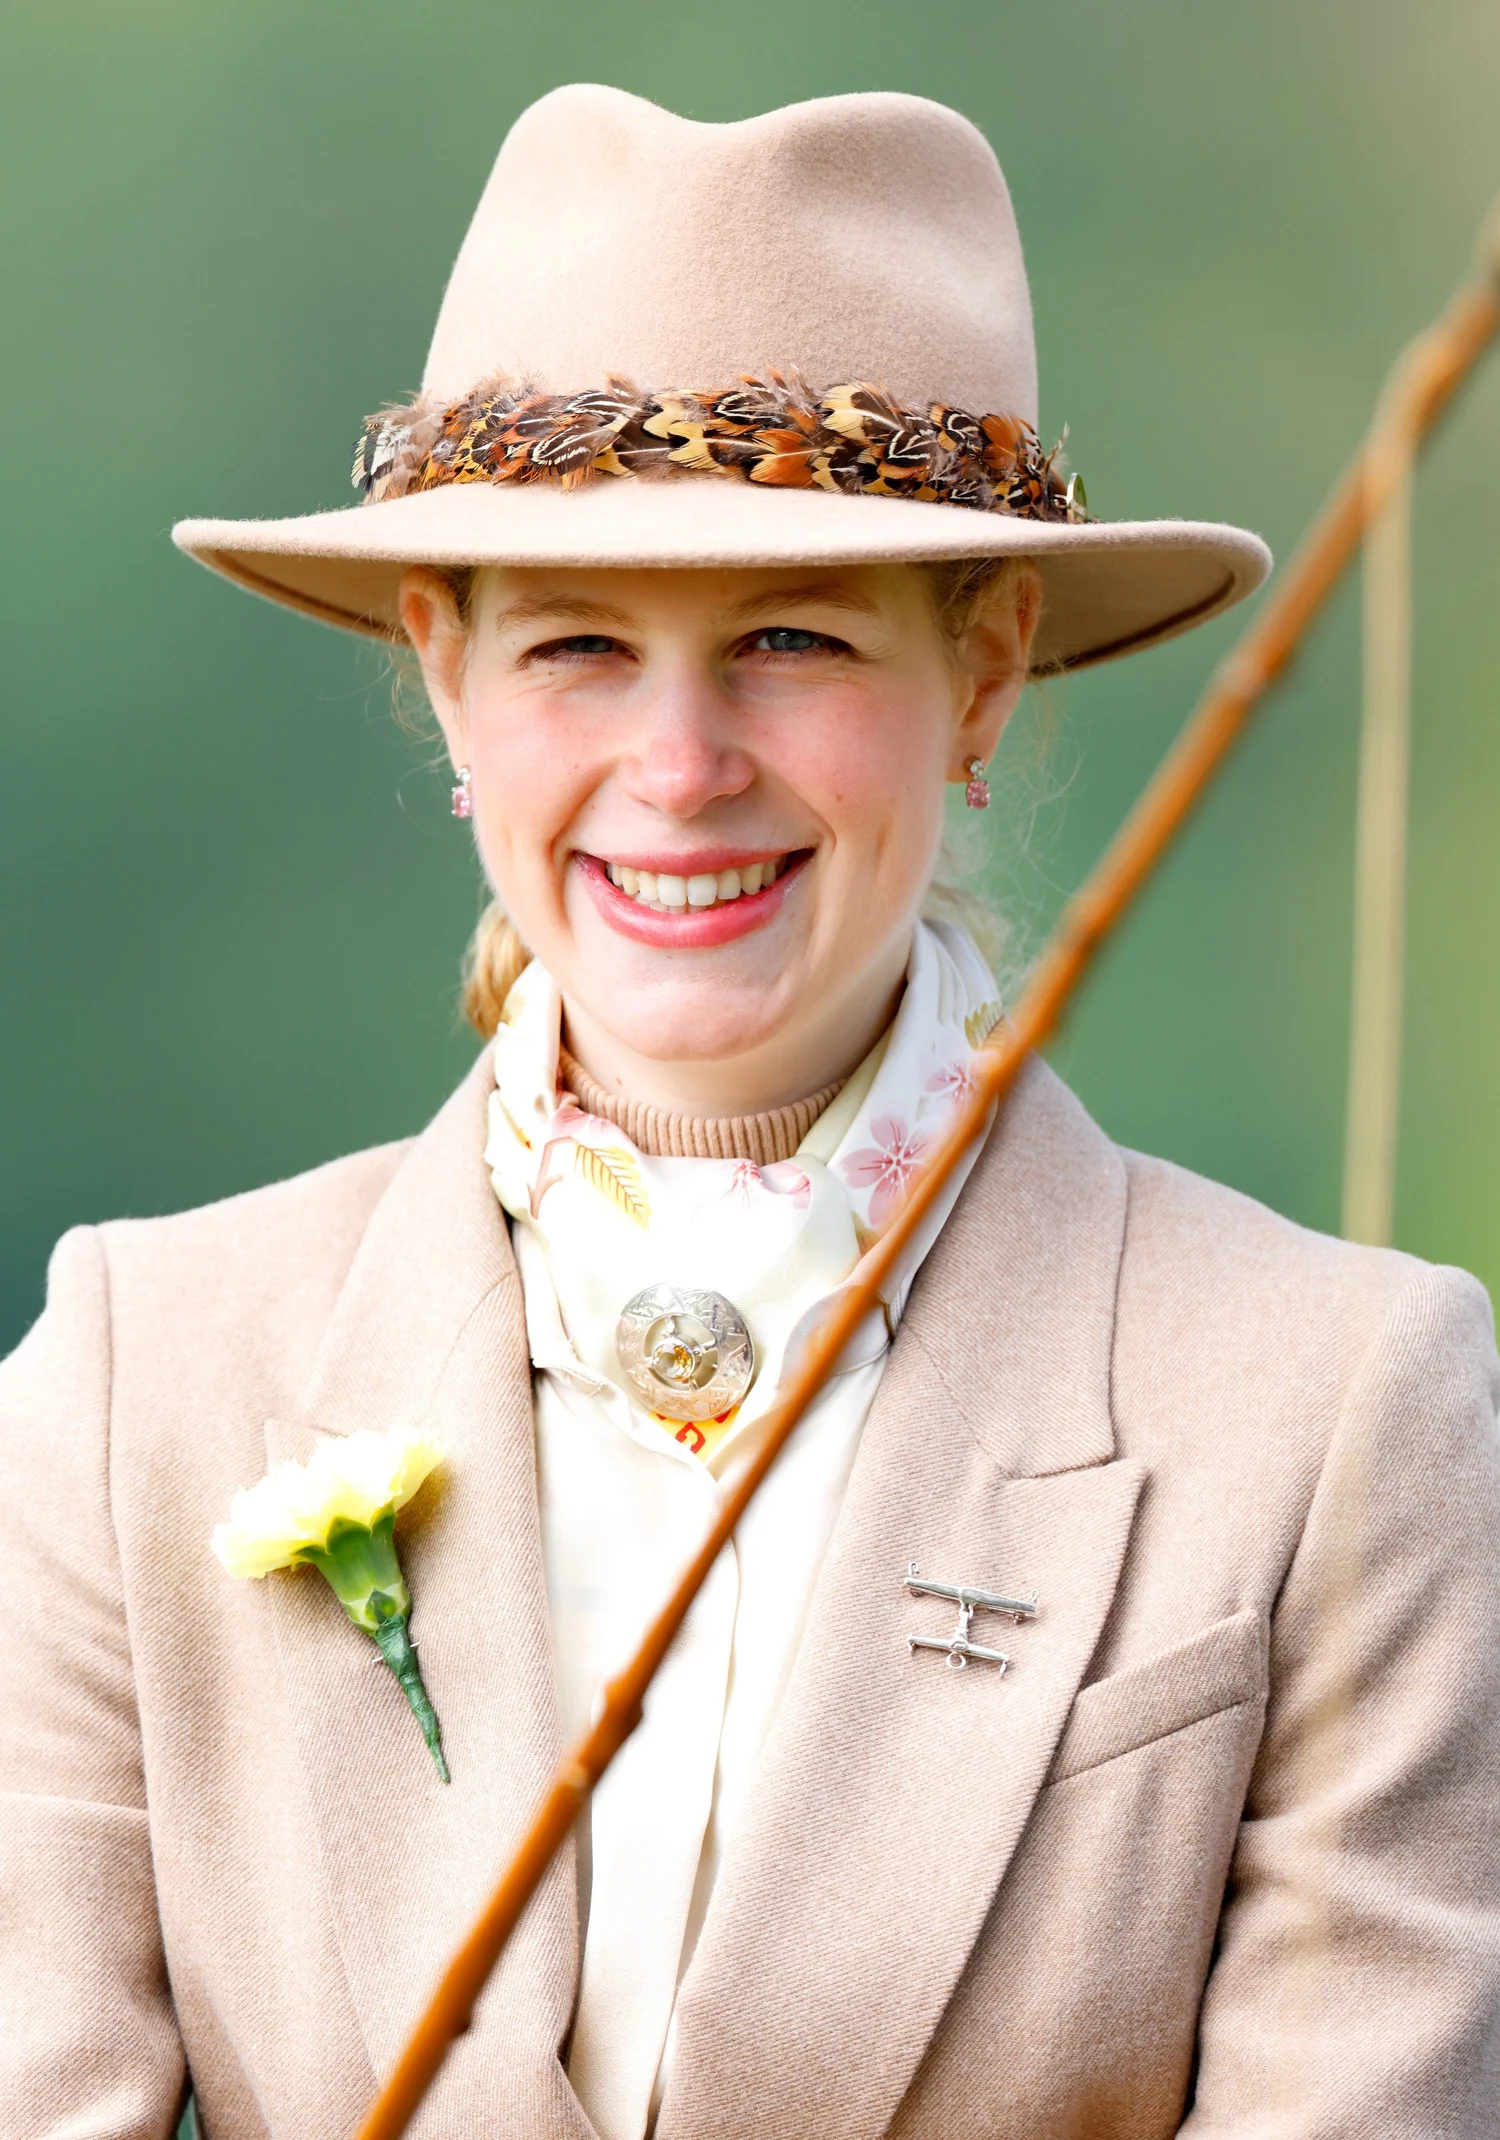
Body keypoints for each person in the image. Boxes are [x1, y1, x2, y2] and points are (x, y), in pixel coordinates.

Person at [2, 81, 1497, 2140]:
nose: (680, 762)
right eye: (578, 647)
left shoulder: (1347, 1410)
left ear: (983, 674)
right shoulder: (127, 1381)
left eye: (788, 638)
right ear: (444, 675)